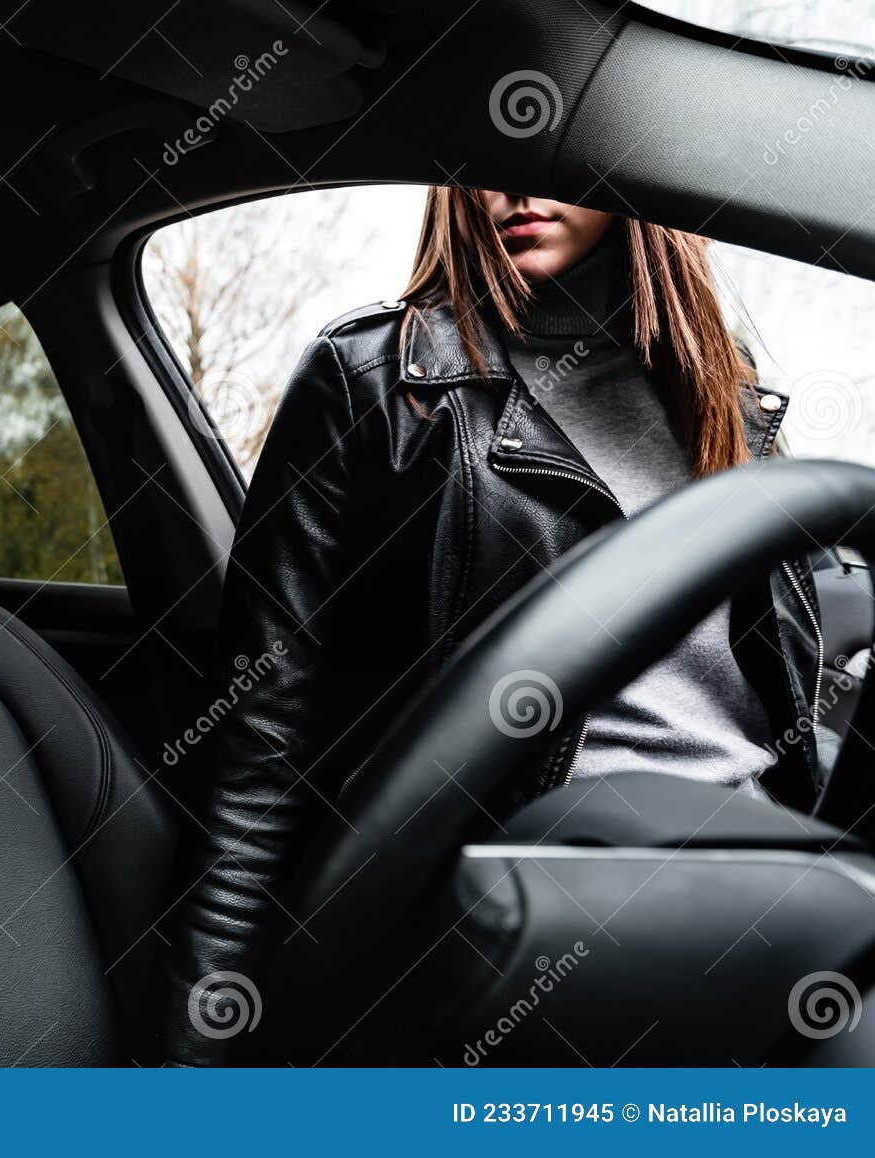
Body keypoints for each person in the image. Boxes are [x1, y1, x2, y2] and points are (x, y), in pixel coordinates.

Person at [160, 187, 822, 1065]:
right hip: (534, 916)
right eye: (487, 159)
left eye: (550, 157)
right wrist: (196, 1055)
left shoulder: (729, 408)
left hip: (760, 894)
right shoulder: (380, 379)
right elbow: (260, 751)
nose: (513, 187)